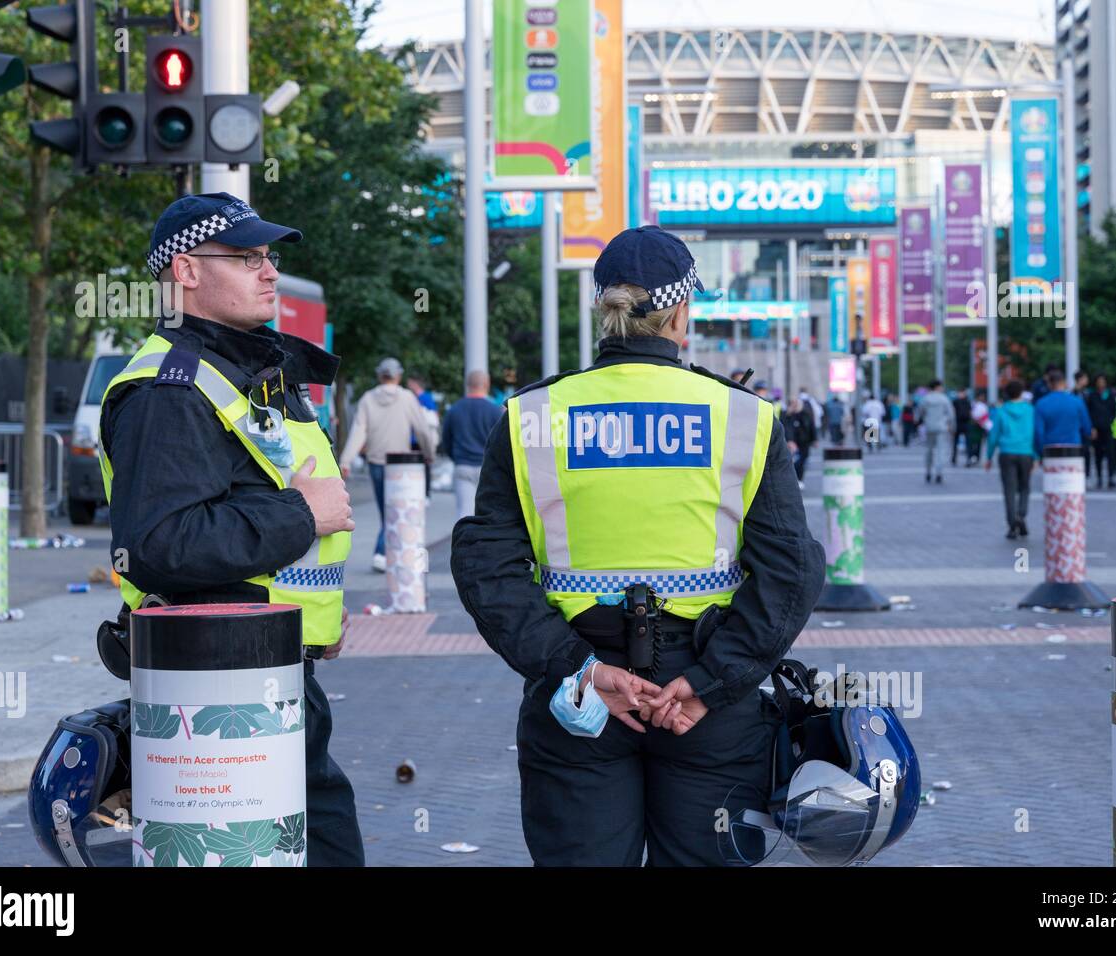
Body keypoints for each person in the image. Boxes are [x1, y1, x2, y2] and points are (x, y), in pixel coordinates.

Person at [450, 225, 825, 867]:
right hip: (709, 702)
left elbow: (486, 564)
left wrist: (576, 668)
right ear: (682, 314)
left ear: (604, 310)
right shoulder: (743, 416)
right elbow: (790, 573)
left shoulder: (531, 416)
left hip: (581, 697)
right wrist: (710, 683)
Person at [97, 192, 363, 865]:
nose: (268, 271)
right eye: (247, 258)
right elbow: (157, 546)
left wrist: (318, 619)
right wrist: (304, 513)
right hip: (218, 691)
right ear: (185, 272)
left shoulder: (243, 373)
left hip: (268, 673)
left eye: (268, 257)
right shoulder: (169, 389)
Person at [339, 357, 437, 571]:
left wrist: (345, 460)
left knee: (386, 510)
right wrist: (429, 453)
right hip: (401, 464)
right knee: (395, 511)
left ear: (379, 376)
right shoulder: (407, 398)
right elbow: (421, 429)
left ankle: (385, 553)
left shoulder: (367, 399)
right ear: (398, 376)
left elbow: (359, 430)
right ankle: (383, 552)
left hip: (376, 462)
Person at [440, 369, 504, 519]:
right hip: (489, 470)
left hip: (463, 467)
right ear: (487, 384)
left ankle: (463, 542)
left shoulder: (454, 410)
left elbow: (446, 440)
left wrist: (457, 458)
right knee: (489, 515)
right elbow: (502, 443)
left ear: (467, 384)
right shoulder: (495, 411)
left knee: (465, 514)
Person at [984, 379, 1037, 538]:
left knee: (1009, 490)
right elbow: (1035, 433)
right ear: (1022, 392)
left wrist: (989, 456)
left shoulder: (1001, 411)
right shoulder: (1030, 410)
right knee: (1025, 487)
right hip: (1026, 452)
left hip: (1006, 452)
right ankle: (1021, 514)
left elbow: (993, 436)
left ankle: (1012, 523)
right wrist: (1036, 455)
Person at [1035, 367, 1094, 455]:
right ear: (1065, 383)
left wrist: (1041, 451)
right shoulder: (1077, 402)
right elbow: (1087, 428)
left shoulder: (1041, 404)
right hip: (1073, 449)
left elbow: (1038, 432)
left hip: (1050, 449)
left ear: (1049, 384)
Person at [916, 379, 954, 483]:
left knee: (928, 450)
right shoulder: (944, 399)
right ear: (937, 387)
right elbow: (951, 415)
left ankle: (928, 471)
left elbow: (920, 413)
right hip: (941, 428)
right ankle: (939, 473)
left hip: (929, 427)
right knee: (941, 451)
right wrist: (952, 427)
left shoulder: (925, 399)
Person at [1085, 373, 1116, 489]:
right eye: (1099, 381)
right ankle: (1099, 478)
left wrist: (1110, 420)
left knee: (1110, 454)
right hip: (1096, 429)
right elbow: (1089, 412)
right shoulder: (1092, 396)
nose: (1101, 384)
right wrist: (1092, 427)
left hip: (1108, 428)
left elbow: (1114, 411)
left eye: (1103, 381)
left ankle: (1110, 477)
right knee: (1098, 454)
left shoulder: (1110, 396)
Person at [780, 395, 816, 488]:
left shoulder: (806, 414)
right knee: (793, 462)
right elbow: (785, 427)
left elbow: (811, 427)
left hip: (804, 442)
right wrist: (789, 440)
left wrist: (814, 439)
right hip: (792, 442)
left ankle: (799, 479)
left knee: (803, 461)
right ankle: (794, 479)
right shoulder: (786, 415)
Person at [967, 388, 991, 465]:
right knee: (971, 442)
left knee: (979, 443)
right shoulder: (973, 404)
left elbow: (986, 416)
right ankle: (971, 457)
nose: (982, 398)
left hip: (980, 426)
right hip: (973, 426)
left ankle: (977, 457)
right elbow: (970, 414)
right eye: (981, 396)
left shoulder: (984, 406)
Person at [951, 388, 971, 465]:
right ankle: (954, 457)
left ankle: (968, 458)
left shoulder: (966, 401)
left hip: (964, 424)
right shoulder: (956, 402)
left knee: (966, 443)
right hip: (959, 424)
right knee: (956, 442)